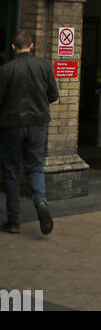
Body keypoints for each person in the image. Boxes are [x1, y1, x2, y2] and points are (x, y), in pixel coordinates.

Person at [0, 30, 59, 235]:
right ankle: (41, 202)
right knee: (35, 167)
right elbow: (54, 94)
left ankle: (14, 221)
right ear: (31, 46)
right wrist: (40, 105)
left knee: (11, 170)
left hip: (12, 126)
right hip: (37, 123)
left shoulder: (6, 70)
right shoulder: (43, 66)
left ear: (13, 47)